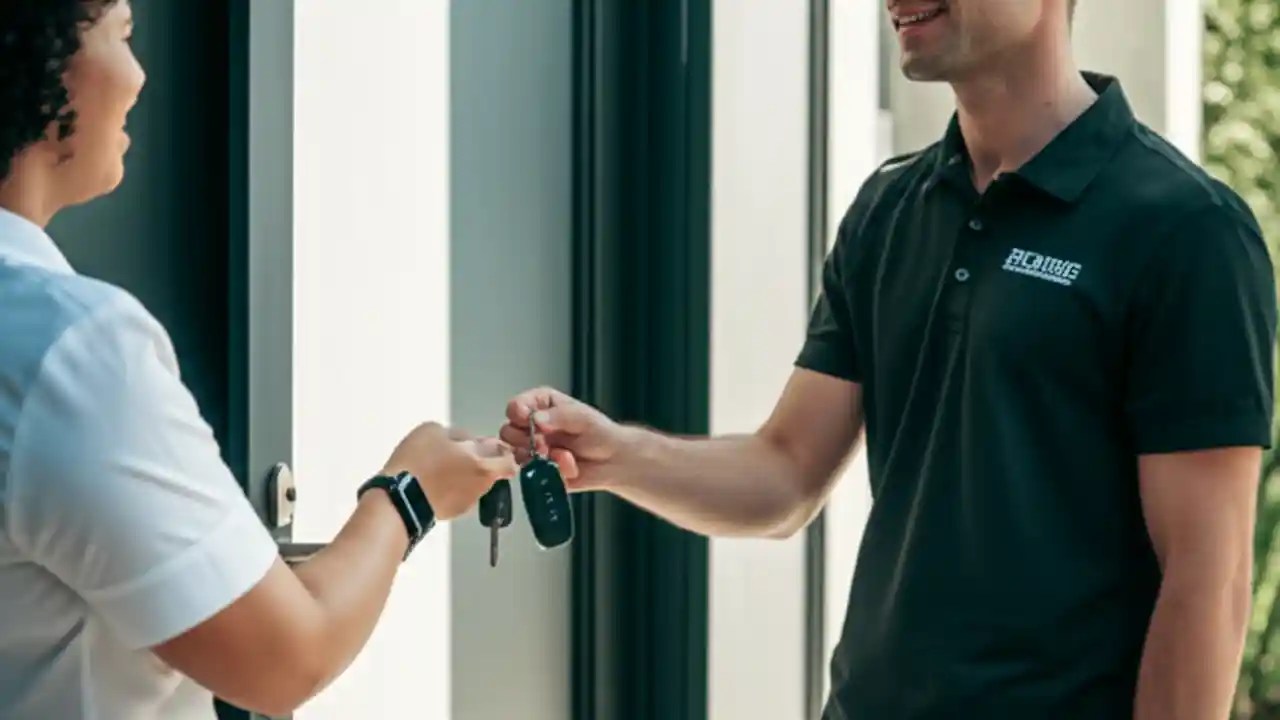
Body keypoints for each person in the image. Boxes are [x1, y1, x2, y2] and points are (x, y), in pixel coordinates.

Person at [502, 0, 1277, 717]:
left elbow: (1207, 582)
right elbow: (785, 473)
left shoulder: (1186, 232)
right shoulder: (889, 210)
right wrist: (615, 455)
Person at [0, 2, 516, 718]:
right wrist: (411, 492)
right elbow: (287, 660)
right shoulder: (71, 355)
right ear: (43, 56)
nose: (139, 76)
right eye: (121, 33)